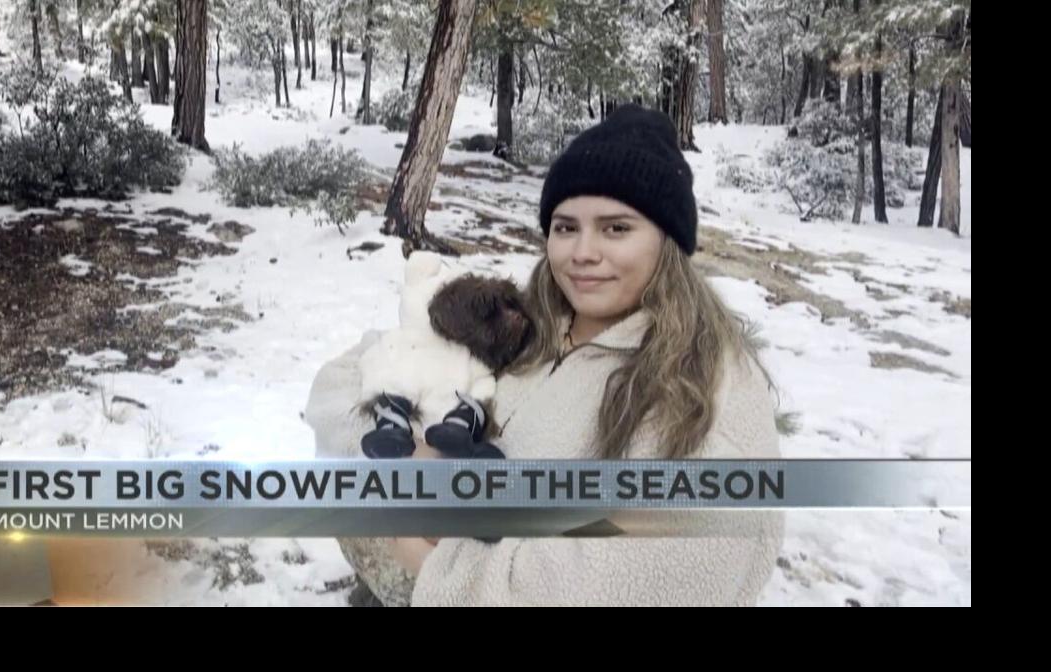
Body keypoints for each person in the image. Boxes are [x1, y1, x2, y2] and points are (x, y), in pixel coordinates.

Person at [304, 104, 783, 606]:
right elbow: (342, 381)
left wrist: (440, 565)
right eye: (565, 226)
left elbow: (672, 567)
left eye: (616, 228)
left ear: (668, 242)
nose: (583, 252)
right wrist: (407, 455)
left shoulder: (703, 383)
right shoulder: (524, 321)